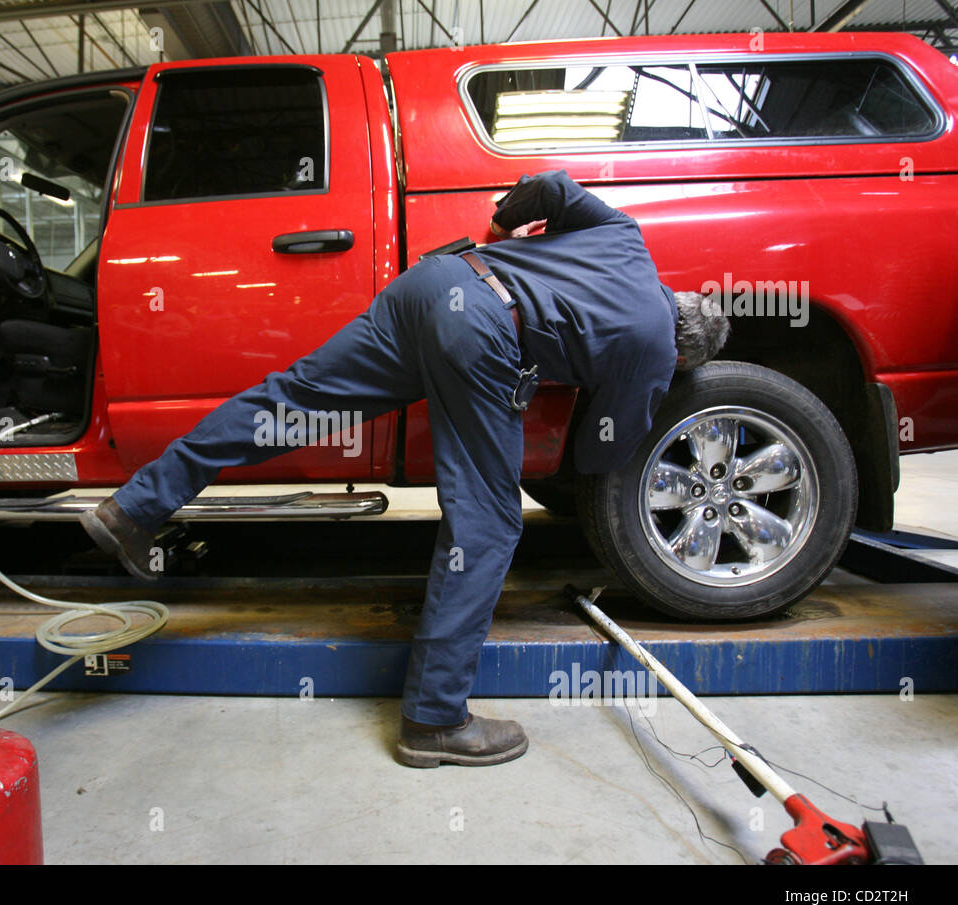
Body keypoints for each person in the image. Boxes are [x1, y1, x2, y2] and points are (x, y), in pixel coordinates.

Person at [80, 169, 729, 768]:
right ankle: (436, 720)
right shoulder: (654, 349)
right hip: (481, 332)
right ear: (683, 352)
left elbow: (550, 187)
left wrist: (505, 227)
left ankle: (135, 506)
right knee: (490, 525)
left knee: (292, 402)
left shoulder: (625, 237)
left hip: (433, 283)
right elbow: (600, 454)